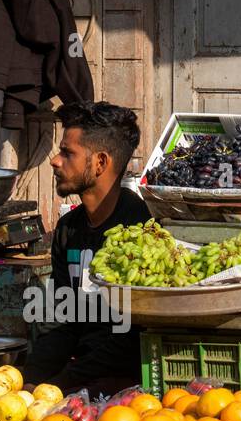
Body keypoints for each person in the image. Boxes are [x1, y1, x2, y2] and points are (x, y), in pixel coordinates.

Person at [23, 101, 150, 396]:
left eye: (68, 153)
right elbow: (63, 320)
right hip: (78, 377)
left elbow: (128, 338)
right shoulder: (68, 229)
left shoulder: (139, 228)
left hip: (125, 385)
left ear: (100, 163)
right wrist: (32, 380)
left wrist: (62, 383)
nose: (55, 161)